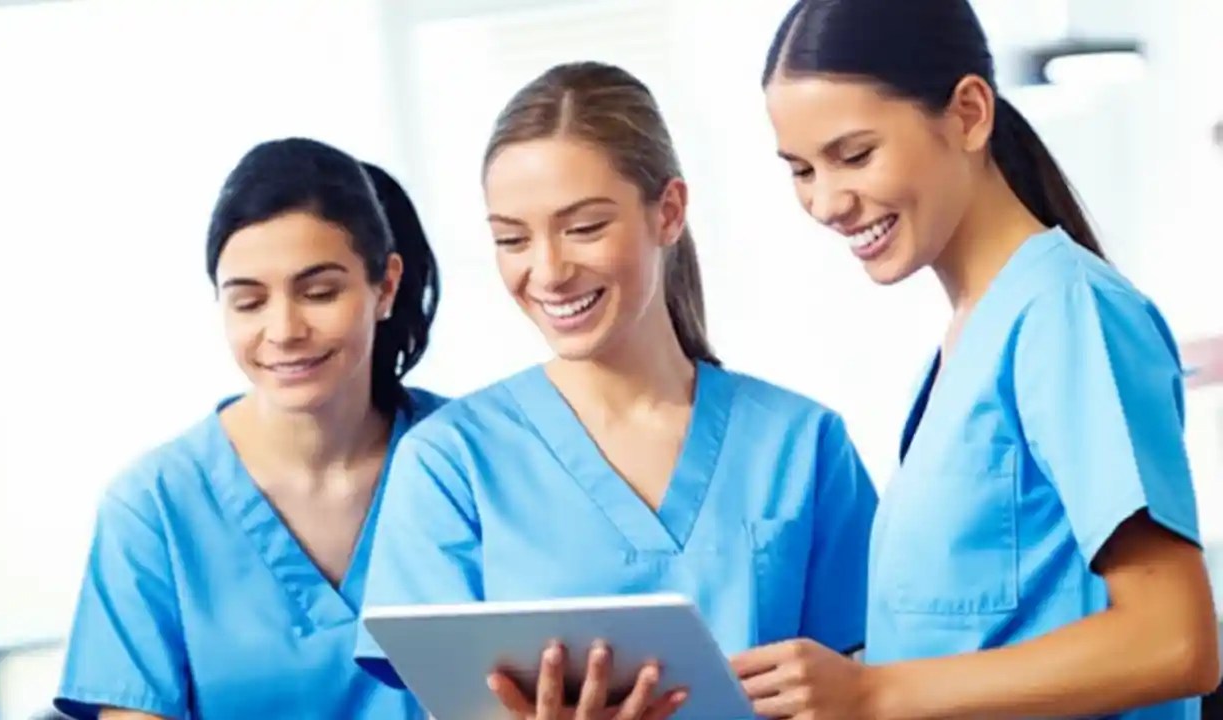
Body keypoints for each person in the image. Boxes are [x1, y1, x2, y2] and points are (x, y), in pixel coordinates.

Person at [354, 60, 879, 720]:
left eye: (584, 227)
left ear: (669, 211)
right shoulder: (450, 464)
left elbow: (867, 686)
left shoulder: (801, 444)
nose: (547, 271)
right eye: (512, 239)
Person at [750, 0, 1222, 718]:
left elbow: (1175, 641)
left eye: (854, 154)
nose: (825, 201)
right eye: (800, 170)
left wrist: (874, 693)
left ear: (969, 113)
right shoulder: (965, 345)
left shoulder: (1067, 313)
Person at [53, 139, 446, 720]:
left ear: (384, 287)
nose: (284, 329)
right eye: (248, 302)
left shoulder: (470, 461)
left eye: (319, 293)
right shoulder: (154, 507)